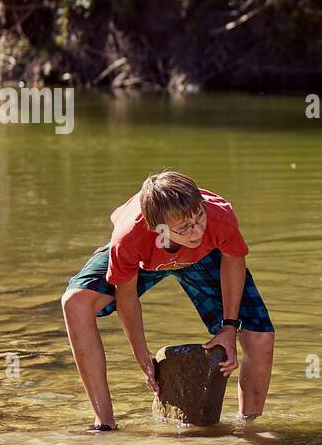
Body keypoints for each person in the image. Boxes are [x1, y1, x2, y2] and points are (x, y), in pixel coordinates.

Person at [60, 171, 274, 430]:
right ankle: (104, 423)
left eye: (199, 217)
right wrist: (142, 356)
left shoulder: (218, 215)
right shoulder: (129, 237)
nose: (197, 230)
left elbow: (233, 260)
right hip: (146, 261)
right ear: (157, 228)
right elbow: (126, 298)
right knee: (75, 302)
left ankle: (249, 428)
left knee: (260, 336)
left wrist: (228, 328)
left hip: (204, 257)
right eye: (185, 227)